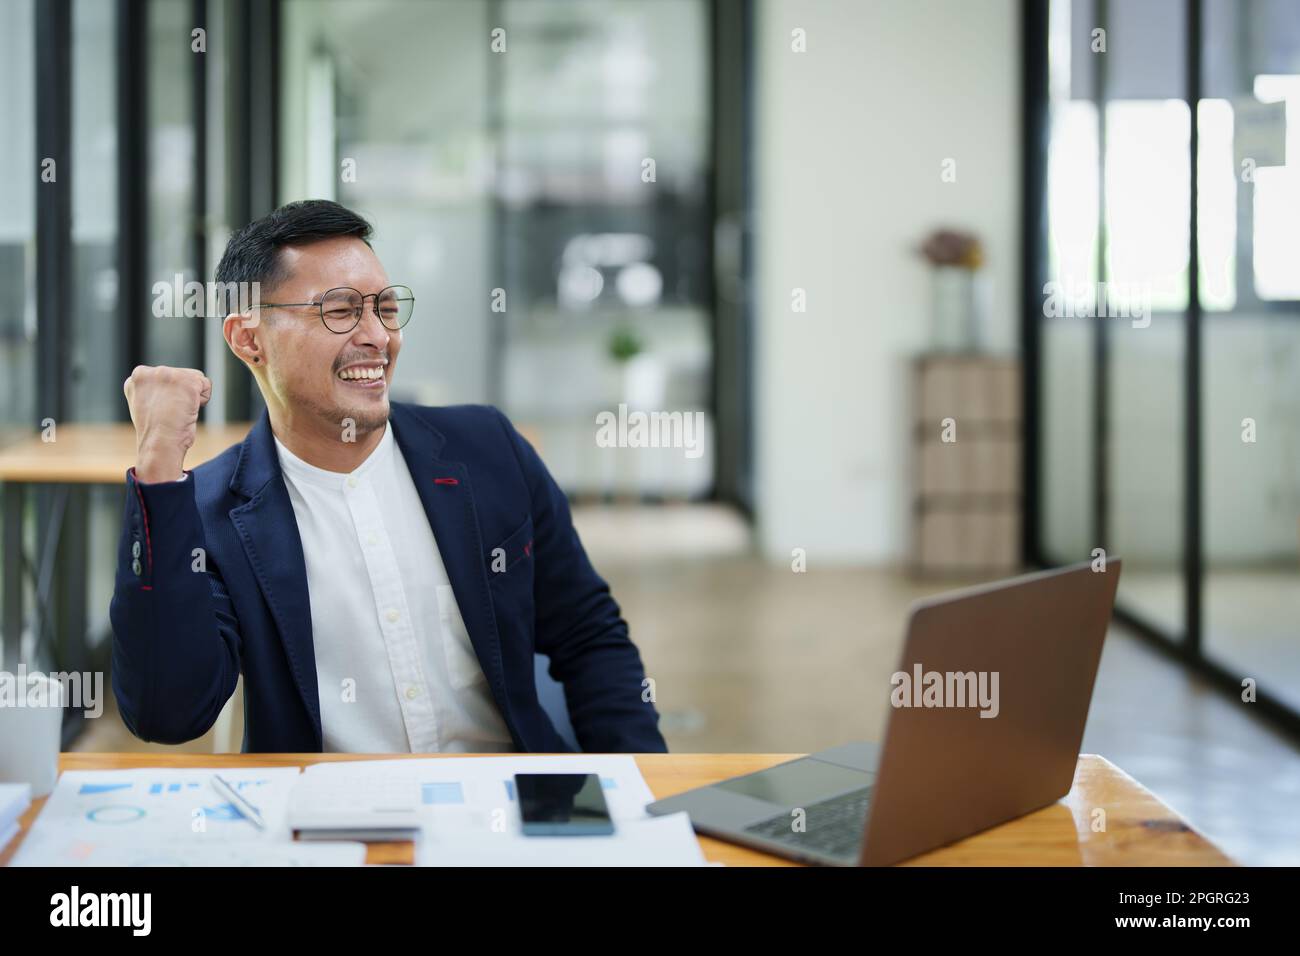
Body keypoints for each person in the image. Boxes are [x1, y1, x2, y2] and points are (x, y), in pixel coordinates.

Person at [111, 199, 667, 754]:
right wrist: (159, 462)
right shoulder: (212, 512)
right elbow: (168, 712)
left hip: (503, 803)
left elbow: (589, 636)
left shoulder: (488, 450)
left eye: (386, 308)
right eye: (340, 310)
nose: (378, 336)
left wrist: (640, 792)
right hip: (325, 820)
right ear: (248, 339)